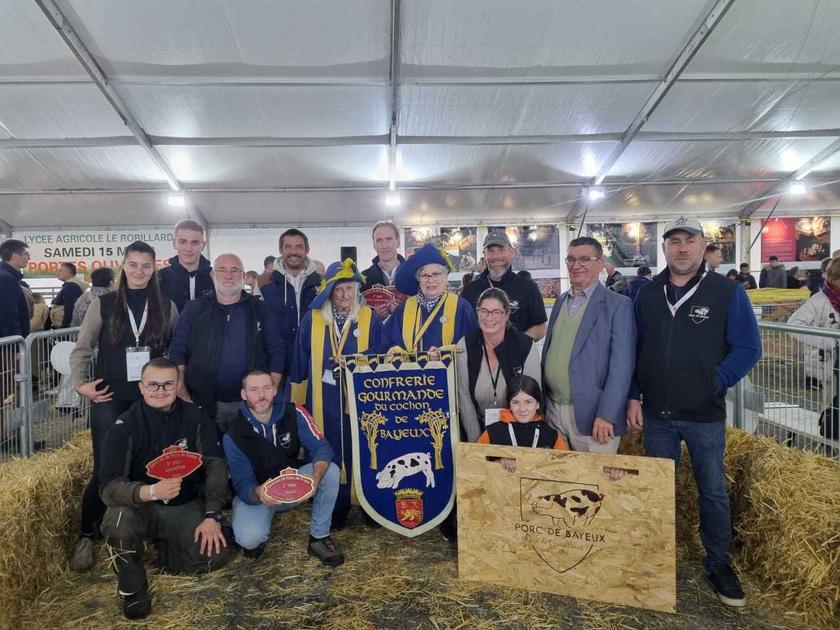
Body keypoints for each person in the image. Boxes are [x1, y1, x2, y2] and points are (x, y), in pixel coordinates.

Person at [626, 216, 761, 608]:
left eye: (690, 240)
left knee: (713, 491)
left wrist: (713, 382)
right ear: (664, 248)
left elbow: (748, 348)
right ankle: (656, 555)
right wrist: (634, 394)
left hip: (705, 414)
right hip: (658, 415)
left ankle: (718, 562)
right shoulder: (648, 294)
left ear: (704, 246)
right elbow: (638, 350)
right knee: (657, 487)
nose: (682, 248)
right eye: (674, 242)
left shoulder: (726, 292)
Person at [69, 241, 179, 573]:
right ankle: (88, 534)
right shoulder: (102, 305)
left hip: (153, 401)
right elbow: (82, 349)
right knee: (105, 468)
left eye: (146, 266)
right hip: (110, 398)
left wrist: (172, 386)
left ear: (154, 269)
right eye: (133, 265)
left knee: (154, 466)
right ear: (123, 266)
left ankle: (154, 534)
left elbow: (177, 350)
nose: (139, 271)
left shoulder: (167, 306)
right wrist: (80, 385)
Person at [99, 358, 231, 620]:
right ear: (141, 387)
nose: (160, 390)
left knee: (213, 557)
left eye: (168, 384)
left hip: (183, 505)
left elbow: (216, 466)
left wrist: (212, 514)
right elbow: (108, 488)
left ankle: (166, 550)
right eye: (153, 385)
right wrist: (149, 492)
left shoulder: (196, 417)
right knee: (118, 520)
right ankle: (132, 590)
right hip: (142, 506)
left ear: (177, 384)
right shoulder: (123, 427)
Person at [291, 259, 384, 528]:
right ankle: (335, 507)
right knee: (327, 449)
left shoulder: (368, 317)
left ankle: (369, 503)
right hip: (324, 401)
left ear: (357, 290)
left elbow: (380, 354)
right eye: (339, 289)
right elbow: (299, 360)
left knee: (366, 448)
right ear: (329, 291)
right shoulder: (314, 318)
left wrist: (357, 360)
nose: (345, 295)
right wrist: (297, 406)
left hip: (360, 401)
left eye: (349, 289)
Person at [223, 370, 344, 565]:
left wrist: (315, 477)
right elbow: (242, 483)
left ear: (274, 390)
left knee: (330, 471)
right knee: (249, 540)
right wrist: (259, 493)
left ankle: (319, 537)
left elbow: (321, 446)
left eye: (266, 388)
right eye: (254, 390)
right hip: (260, 494)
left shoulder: (294, 411)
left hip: (293, 483)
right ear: (244, 394)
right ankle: (256, 527)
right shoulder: (233, 434)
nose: (261, 395)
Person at [169, 253, 285, 434]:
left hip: (250, 405)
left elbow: (276, 350)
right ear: (212, 275)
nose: (228, 275)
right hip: (202, 402)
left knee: (247, 456)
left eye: (234, 270)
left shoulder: (259, 309)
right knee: (210, 457)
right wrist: (182, 391)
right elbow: (177, 351)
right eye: (222, 270)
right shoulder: (194, 309)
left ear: (243, 275)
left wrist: (271, 388)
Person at [542, 236, 635, 454]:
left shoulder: (618, 305)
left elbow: (622, 367)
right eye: (571, 259)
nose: (576, 265)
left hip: (594, 417)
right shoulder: (560, 301)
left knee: (593, 485)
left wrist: (607, 414)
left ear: (600, 264)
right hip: (554, 411)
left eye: (584, 259)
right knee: (561, 483)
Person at [456, 288, 541, 443]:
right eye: (484, 311)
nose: (489, 317)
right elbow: (464, 399)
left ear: (507, 314)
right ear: (477, 312)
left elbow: (531, 400)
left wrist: (514, 443)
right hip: (478, 431)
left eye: (496, 312)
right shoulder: (465, 345)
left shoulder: (525, 346)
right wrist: (478, 444)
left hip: (518, 433)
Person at [383, 243, 479, 354]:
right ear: (418, 279)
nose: (430, 280)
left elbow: (473, 346)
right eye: (424, 275)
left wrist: (449, 353)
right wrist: (394, 350)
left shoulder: (461, 308)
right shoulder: (403, 310)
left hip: (450, 371)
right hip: (411, 371)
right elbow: (386, 342)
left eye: (436, 274)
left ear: (446, 276)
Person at [261, 229, 323, 396]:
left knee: (312, 418)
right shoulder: (264, 283)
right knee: (282, 419)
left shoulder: (321, 283)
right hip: (277, 369)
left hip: (313, 366)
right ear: (281, 250)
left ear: (307, 250)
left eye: (299, 247)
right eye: (288, 247)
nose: (293, 252)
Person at [460, 231, 547, 340]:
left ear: (511, 252)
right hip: (480, 355)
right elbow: (461, 327)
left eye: (501, 250)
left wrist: (517, 344)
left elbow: (540, 327)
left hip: (517, 356)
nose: (496, 256)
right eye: (491, 251)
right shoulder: (470, 290)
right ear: (484, 254)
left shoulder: (528, 287)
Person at [478, 375, 567, 472]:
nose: (522, 409)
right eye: (516, 402)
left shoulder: (551, 436)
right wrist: (498, 461)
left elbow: (565, 467)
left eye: (528, 402)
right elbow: (473, 462)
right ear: (509, 404)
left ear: (538, 404)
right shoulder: (492, 432)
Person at [788, 258, 840, 422]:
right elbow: (793, 326)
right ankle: (829, 442)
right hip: (831, 364)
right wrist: (828, 341)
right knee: (832, 405)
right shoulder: (819, 300)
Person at [158, 219, 214, 313]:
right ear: (174, 243)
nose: (189, 249)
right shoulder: (159, 278)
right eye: (183, 242)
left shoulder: (215, 277)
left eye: (195, 243)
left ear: (203, 245)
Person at [360, 221, 406, 320]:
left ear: (398, 242)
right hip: (376, 335)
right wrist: (373, 316)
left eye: (388, 239)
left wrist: (405, 312)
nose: (384, 245)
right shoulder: (363, 278)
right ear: (374, 245)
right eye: (379, 240)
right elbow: (357, 316)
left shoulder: (414, 275)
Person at [0, 238, 31, 338]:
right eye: (26, 254)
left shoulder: (8, 276)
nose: (28, 258)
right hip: (9, 344)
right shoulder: (5, 279)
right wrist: (14, 347)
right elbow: (7, 316)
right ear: (15, 256)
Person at [50, 262, 85, 329]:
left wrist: (64, 329)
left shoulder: (70, 287)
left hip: (66, 329)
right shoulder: (71, 286)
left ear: (68, 272)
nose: (58, 273)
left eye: (60, 270)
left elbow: (70, 309)